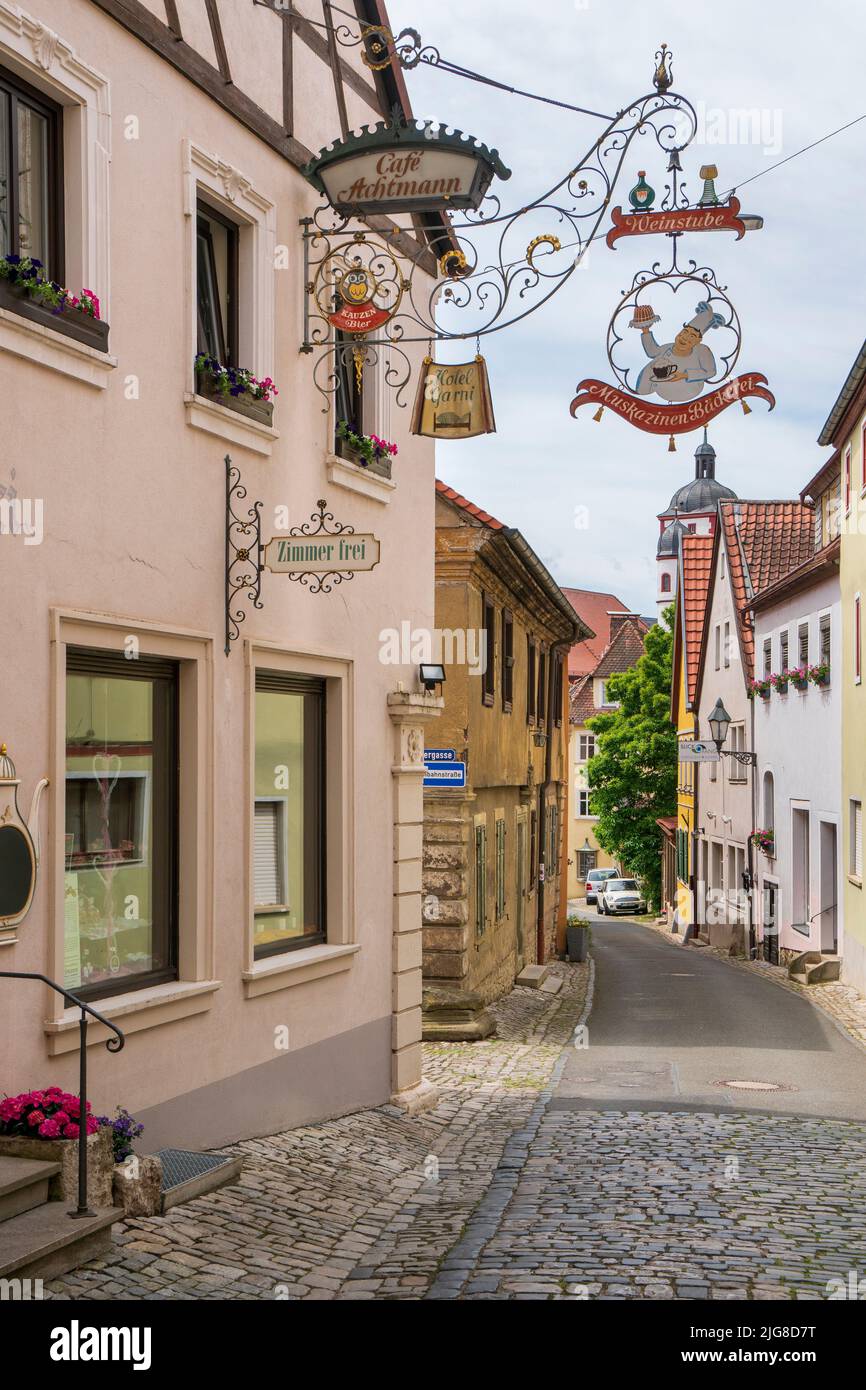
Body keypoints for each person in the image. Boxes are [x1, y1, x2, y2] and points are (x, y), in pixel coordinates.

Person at [634, 301, 725, 403]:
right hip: (663, 390)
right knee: (653, 365)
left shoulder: (702, 351)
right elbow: (652, 352)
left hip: (689, 390)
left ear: (697, 341)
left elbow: (710, 372)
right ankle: (642, 391)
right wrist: (645, 330)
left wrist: (684, 375)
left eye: (692, 336)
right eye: (684, 332)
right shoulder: (668, 347)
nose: (685, 338)